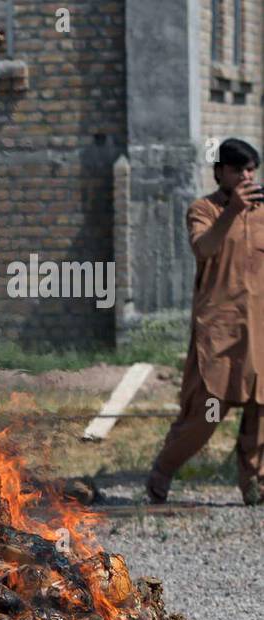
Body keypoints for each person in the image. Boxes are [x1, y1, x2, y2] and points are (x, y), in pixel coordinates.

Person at [147, 138, 264, 506]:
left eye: (251, 169)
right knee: (208, 410)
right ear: (220, 173)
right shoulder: (204, 210)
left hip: (258, 332)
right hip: (218, 332)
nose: (246, 176)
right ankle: (163, 470)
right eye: (238, 170)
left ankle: (254, 485)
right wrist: (232, 212)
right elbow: (204, 248)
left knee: (260, 410)